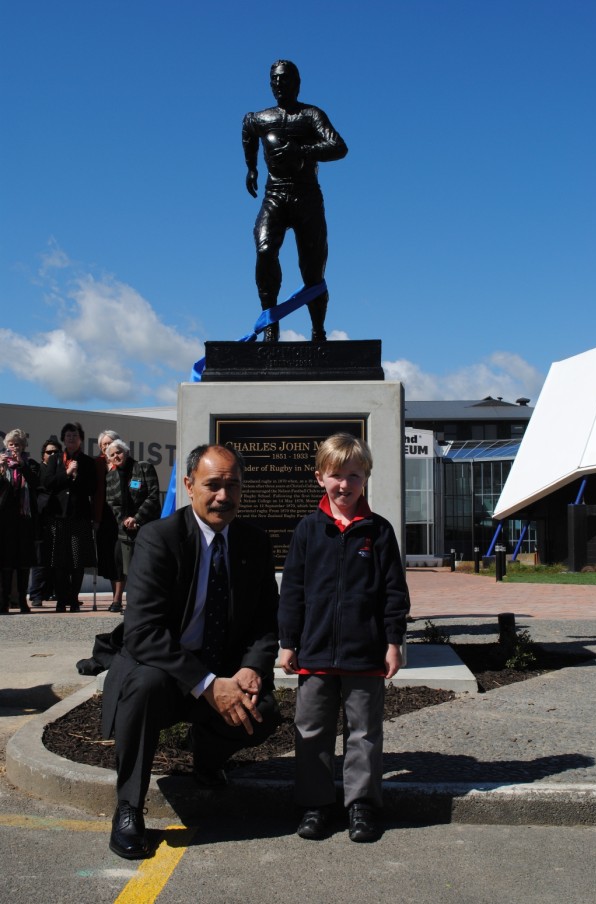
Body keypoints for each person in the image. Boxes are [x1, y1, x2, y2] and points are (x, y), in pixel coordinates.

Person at [101, 443, 281, 859]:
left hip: (221, 669)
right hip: (164, 671)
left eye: (232, 485)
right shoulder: (158, 538)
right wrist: (206, 684)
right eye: (212, 485)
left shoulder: (253, 542)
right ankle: (128, 807)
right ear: (189, 485)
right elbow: (142, 633)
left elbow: (265, 622)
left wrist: (252, 668)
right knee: (144, 686)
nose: (223, 495)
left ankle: (207, 759)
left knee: (263, 710)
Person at [278, 433, 409, 842]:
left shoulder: (379, 531)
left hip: (365, 654)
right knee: (312, 730)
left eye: (354, 475)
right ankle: (315, 805)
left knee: (364, 733)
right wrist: (288, 641)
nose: (345, 485)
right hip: (314, 653)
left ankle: (362, 806)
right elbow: (292, 591)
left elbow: (393, 592)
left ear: (366, 477)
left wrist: (393, 641)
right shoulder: (307, 530)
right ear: (320, 477)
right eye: (336, 475)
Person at [242, 60, 348, 342]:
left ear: (297, 84)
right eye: (274, 80)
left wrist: (301, 151)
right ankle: (270, 323)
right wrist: (251, 167)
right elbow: (248, 129)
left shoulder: (311, 115)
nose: (279, 85)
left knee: (312, 268)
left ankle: (318, 332)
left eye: (285, 80)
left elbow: (338, 147)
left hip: (307, 196)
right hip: (275, 194)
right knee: (265, 251)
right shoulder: (262, 118)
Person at [41, 422, 96, 612]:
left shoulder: (88, 462)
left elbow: (92, 488)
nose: (71, 439)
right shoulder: (55, 459)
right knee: (59, 561)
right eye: (68, 436)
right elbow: (48, 483)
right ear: (63, 439)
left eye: (75, 436)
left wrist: (76, 475)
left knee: (77, 560)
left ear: (80, 439)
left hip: (78, 516)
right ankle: (61, 598)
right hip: (58, 517)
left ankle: (73, 598)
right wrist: (66, 473)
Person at [104, 439, 161, 611]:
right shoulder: (111, 477)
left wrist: (136, 518)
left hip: (146, 526)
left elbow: (153, 496)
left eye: (119, 452)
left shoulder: (144, 468)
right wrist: (125, 520)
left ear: (126, 452)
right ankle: (125, 603)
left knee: (145, 568)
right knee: (125, 568)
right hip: (126, 530)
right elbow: (112, 503)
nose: (116, 456)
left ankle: (144, 604)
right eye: (112, 455)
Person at [0, 428, 40, 613]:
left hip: (25, 520)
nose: (14, 448)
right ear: (5, 446)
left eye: (17, 444)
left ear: (23, 446)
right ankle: (4, 601)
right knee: (6, 562)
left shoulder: (30, 464)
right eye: (11, 444)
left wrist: (21, 465)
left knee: (24, 562)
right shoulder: (1, 465)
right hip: (5, 521)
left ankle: (23, 600)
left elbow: (36, 484)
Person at [27, 435, 62, 606]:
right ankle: (37, 595)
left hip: (59, 520)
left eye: (56, 452)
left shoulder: (63, 471)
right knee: (40, 560)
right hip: (41, 520)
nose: (53, 454)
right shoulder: (38, 470)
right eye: (50, 452)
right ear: (43, 455)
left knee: (57, 560)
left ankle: (53, 592)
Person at [93, 430, 122, 611]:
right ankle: (115, 597)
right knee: (108, 558)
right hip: (103, 516)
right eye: (104, 444)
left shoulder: (124, 463)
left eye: (110, 442)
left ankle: (117, 599)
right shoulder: (96, 464)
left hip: (121, 518)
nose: (107, 446)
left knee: (120, 558)